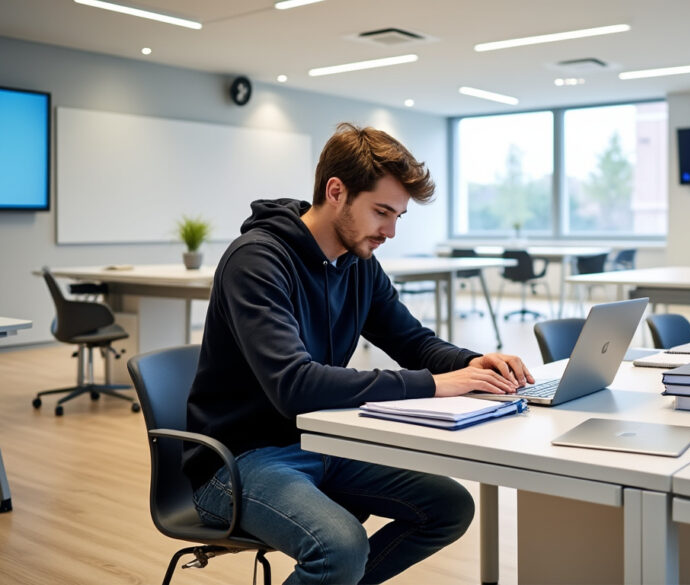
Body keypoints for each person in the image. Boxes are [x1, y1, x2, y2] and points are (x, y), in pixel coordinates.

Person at [184, 122, 534, 584]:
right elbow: (295, 386)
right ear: (336, 191)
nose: (389, 231)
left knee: (449, 507)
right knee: (340, 546)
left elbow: (412, 341)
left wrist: (471, 363)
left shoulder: (358, 264)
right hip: (239, 459)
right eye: (381, 212)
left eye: (398, 217)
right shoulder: (257, 261)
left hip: (323, 439)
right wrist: (433, 386)